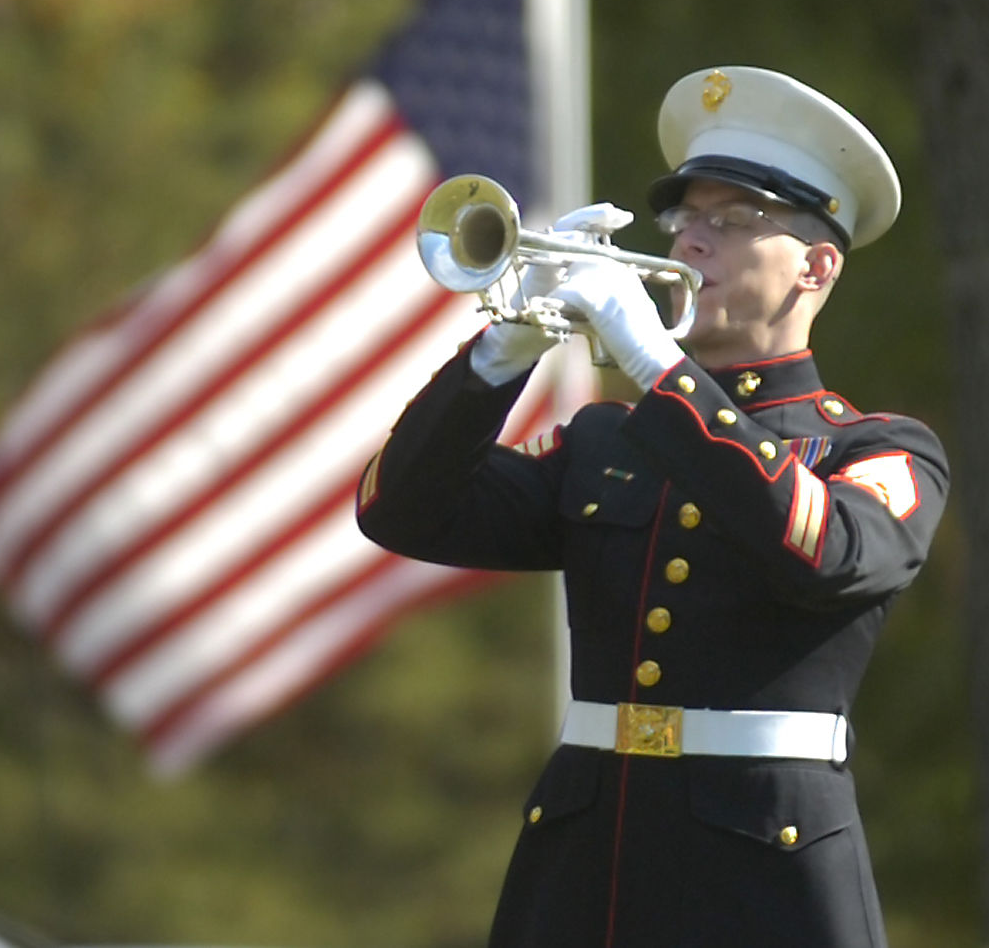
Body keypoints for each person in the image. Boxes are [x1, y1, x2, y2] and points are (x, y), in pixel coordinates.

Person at [356, 65, 949, 948]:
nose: (689, 240)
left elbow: (823, 550)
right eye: (684, 217)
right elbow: (399, 510)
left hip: (766, 872)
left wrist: (656, 367)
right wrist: (500, 352)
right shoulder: (603, 440)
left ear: (815, 265)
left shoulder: (877, 448)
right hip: (586, 858)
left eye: (732, 219)